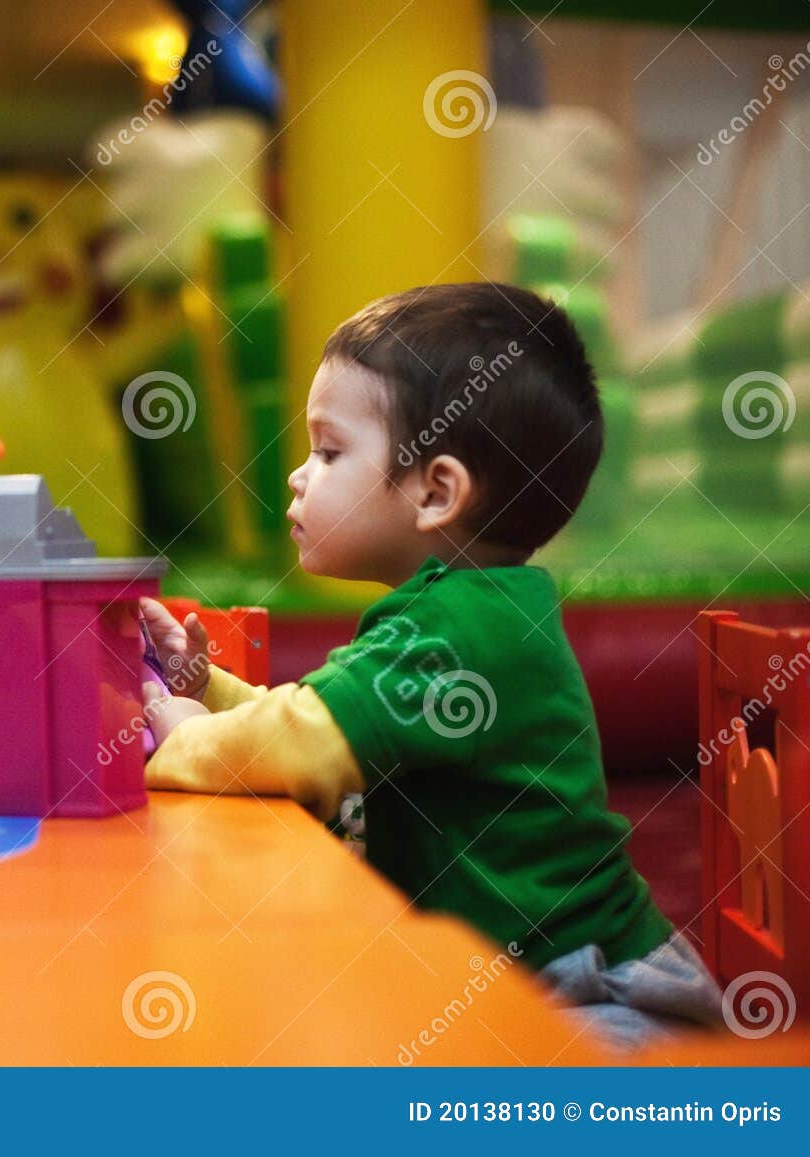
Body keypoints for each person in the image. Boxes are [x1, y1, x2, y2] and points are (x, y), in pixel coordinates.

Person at [141, 282, 723, 1051]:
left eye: (329, 451)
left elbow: (304, 739)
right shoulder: (455, 608)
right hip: (523, 982)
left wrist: (184, 736)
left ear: (437, 490)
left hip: (596, 1003)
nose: (298, 475)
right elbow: (321, 719)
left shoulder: (460, 629)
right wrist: (204, 689)